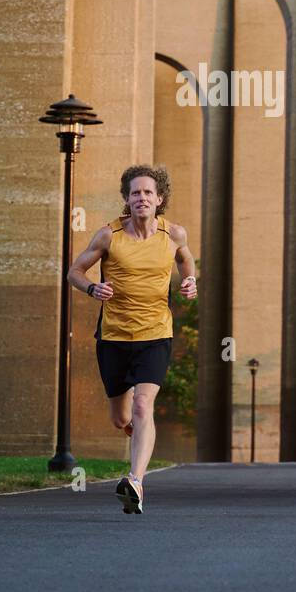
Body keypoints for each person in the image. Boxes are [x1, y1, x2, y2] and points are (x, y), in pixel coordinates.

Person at [67, 165, 196, 514]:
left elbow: (186, 261)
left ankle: (136, 480)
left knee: (143, 405)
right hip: (113, 337)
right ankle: (136, 432)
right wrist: (93, 287)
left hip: (156, 335)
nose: (141, 198)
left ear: (160, 199)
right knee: (120, 418)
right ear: (126, 199)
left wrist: (190, 282)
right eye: (135, 193)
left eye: (148, 193)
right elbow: (74, 272)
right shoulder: (109, 236)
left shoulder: (174, 235)